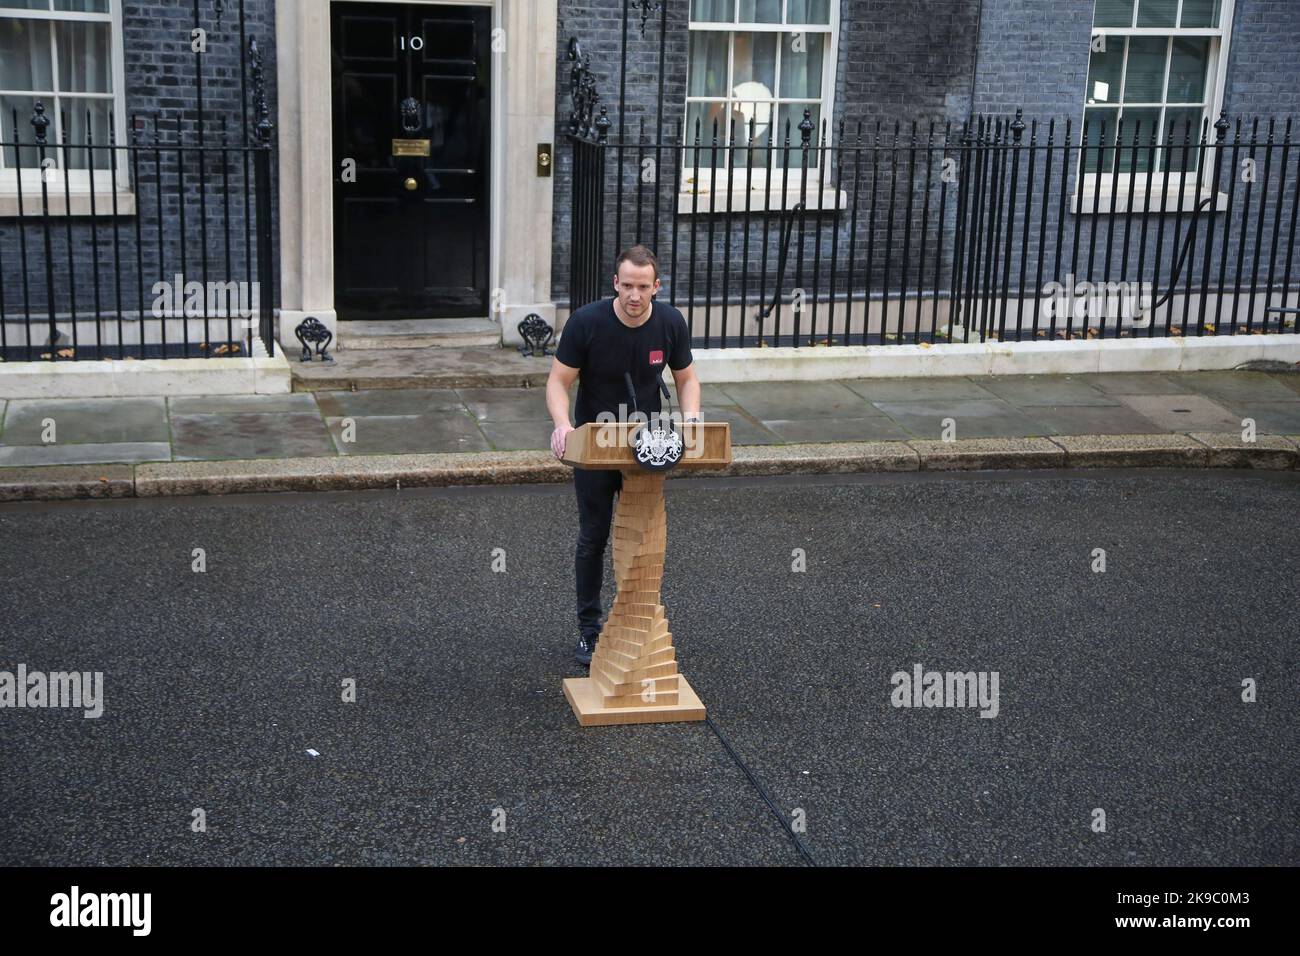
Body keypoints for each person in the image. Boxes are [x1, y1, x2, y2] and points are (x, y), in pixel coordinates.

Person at [546, 245, 702, 666]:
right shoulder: (586, 322)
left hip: (647, 447)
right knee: (594, 535)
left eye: (643, 287)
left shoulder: (670, 322)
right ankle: (589, 630)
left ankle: (636, 623)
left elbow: (687, 380)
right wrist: (563, 425)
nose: (635, 295)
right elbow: (558, 382)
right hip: (595, 445)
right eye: (627, 285)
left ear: (657, 286)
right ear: (615, 283)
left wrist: (689, 420)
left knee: (643, 539)